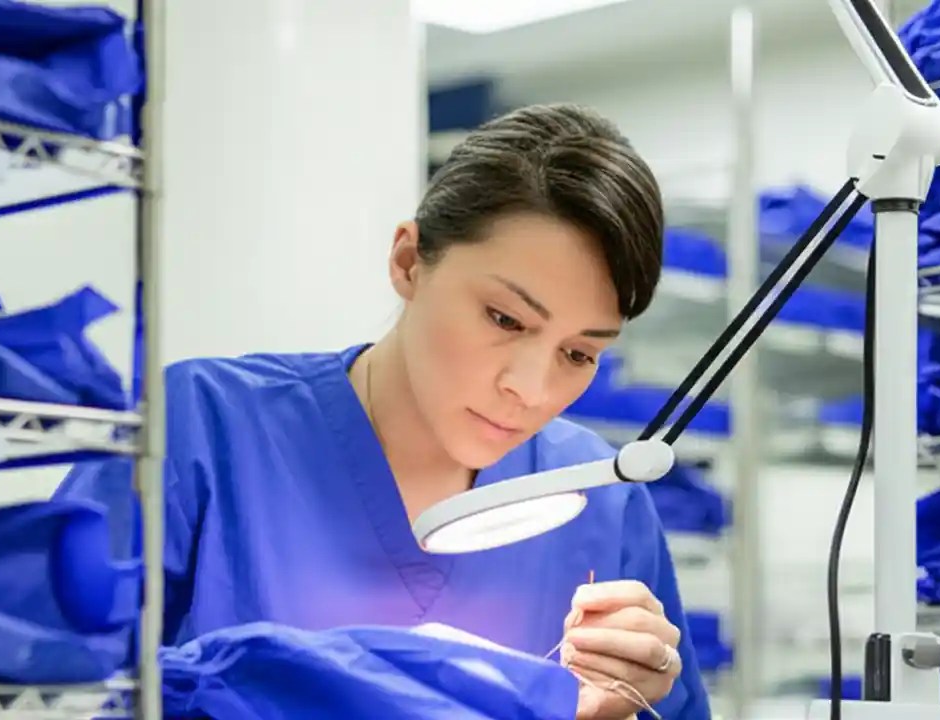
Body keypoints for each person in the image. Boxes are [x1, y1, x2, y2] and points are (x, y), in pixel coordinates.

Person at [61, 103, 711, 719]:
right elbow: (34, 682)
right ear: (408, 261)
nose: (531, 388)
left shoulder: (601, 495)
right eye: (505, 319)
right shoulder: (200, 430)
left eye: (577, 354)